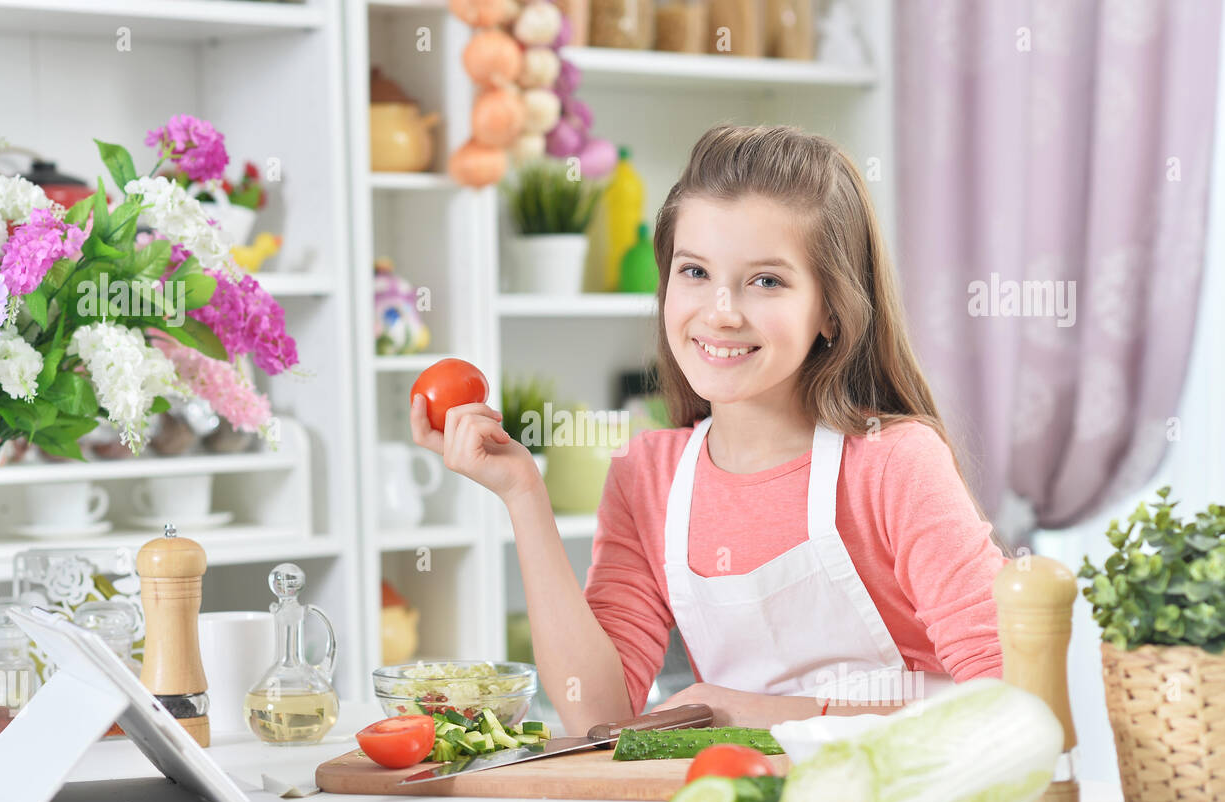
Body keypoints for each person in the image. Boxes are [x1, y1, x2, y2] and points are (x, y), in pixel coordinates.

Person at [410, 124, 1008, 733]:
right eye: (694, 272)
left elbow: (1009, 696)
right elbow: (598, 713)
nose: (720, 313)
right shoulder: (648, 476)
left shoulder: (892, 464)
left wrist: (762, 715)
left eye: (766, 280)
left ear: (832, 308)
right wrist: (522, 495)